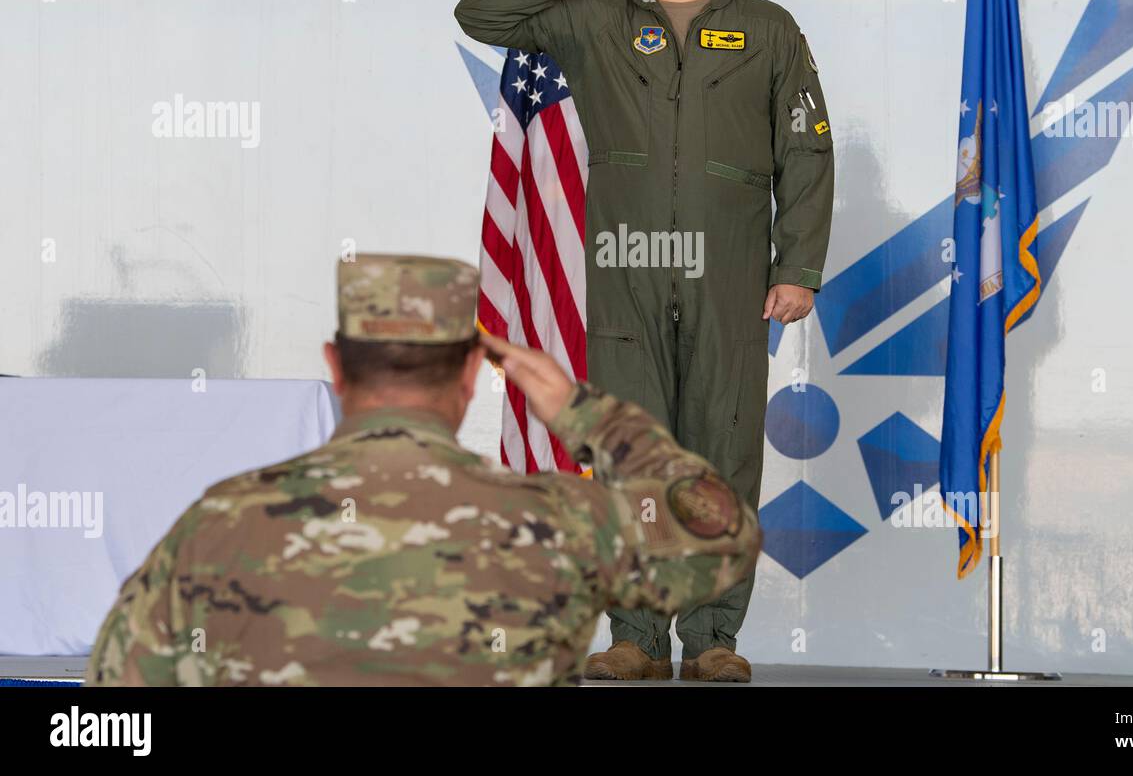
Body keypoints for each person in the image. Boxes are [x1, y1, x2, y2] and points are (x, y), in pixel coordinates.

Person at [454, 0, 834, 681]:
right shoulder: (595, 20)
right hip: (625, 270)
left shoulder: (767, 28)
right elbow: (480, 16)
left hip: (729, 272)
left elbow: (806, 150)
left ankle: (713, 638)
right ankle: (633, 633)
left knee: (720, 452)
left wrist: (798, 263)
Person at [85, 254, 760, 686]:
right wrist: (583, 414)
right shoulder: (554, 520)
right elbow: (722, 536)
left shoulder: (221, 524)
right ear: (474, 374)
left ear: (334, 364)